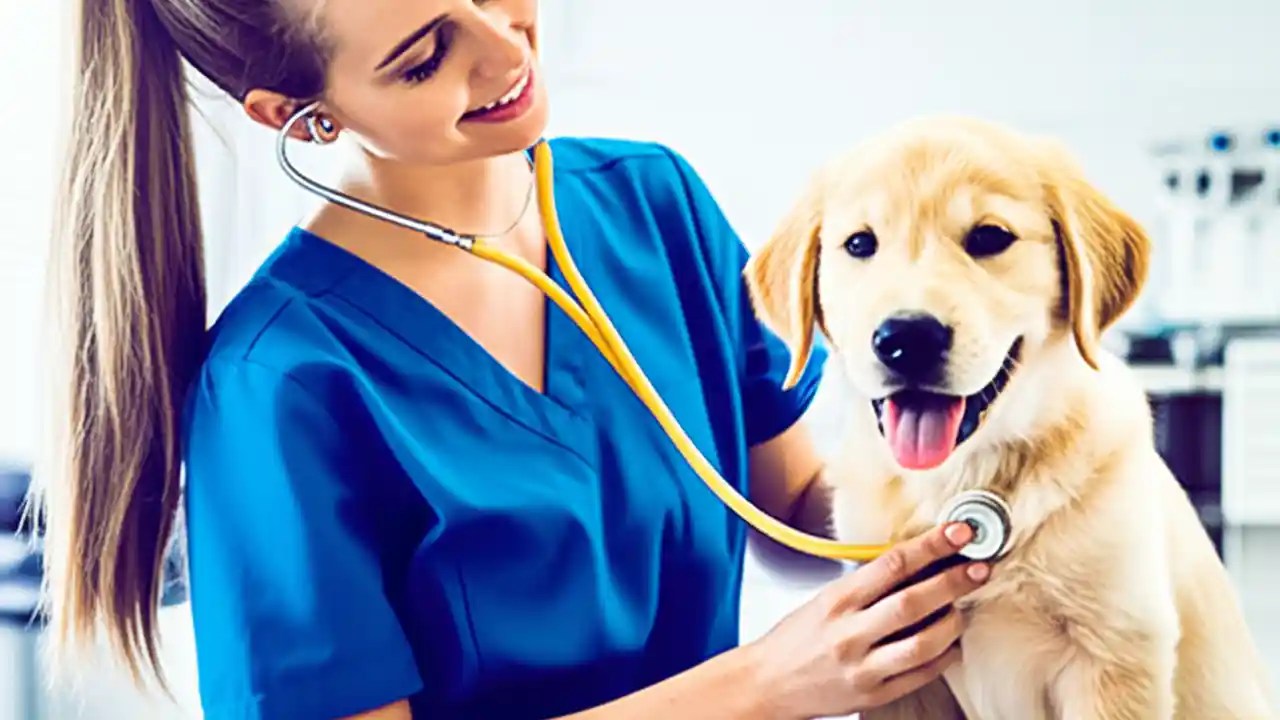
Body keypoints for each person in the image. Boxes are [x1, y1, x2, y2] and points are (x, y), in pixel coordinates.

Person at [36, 0, 992, 718]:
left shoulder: (655, 204)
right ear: (299, 111)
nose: (506, 49)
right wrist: (765, 684)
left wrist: (992, 494)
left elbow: (795, 511)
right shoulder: (277, 385)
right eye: (424, 58)